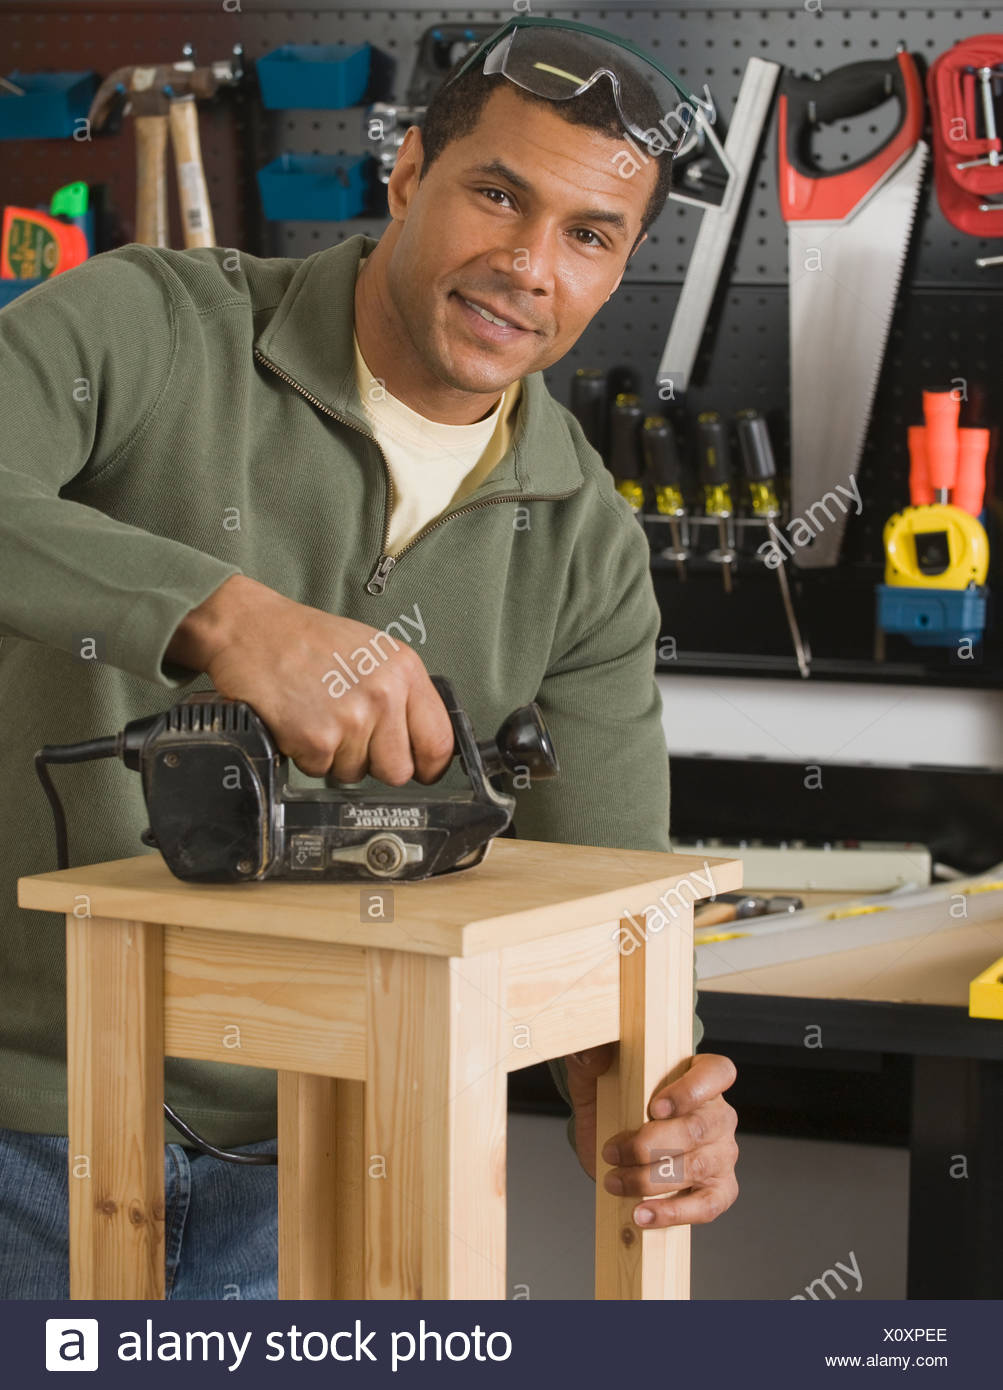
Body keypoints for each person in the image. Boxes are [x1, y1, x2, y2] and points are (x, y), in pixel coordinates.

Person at [0, 17, 738, 1299]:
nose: (526, 265)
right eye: (496, 194)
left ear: (616, 273)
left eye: (587, 235)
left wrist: (650, 1096)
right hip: (27, 1126)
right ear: (404, 176)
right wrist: (222, 613)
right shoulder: (152, 325)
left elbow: (612, 903)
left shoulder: (586, 541)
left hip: (335, 1152)